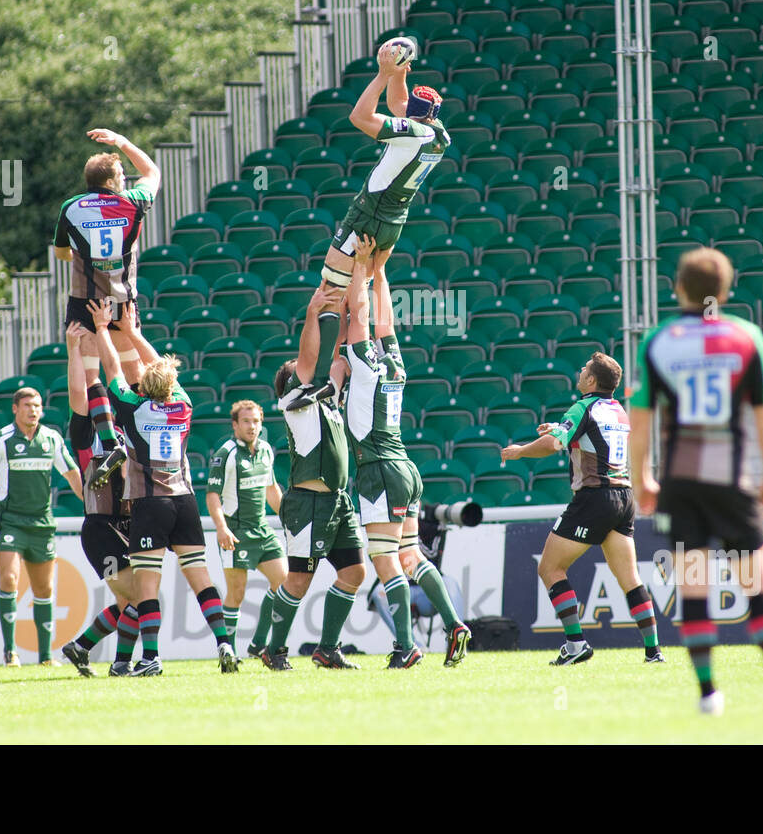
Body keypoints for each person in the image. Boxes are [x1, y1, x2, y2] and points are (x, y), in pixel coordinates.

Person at [629, 248, 763, 715]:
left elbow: (640, 418)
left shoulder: (657, 340)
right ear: (727, 291)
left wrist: (642, 480)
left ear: (678, 288)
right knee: (757, 583)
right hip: (731, 481)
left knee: (694, 586)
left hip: (679, 484)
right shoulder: (744, 337)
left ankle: (709, 696)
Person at [286, 44, 450, 410]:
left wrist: (381, 74)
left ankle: (319, 380)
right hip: (394, 221)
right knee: (352, 294)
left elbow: (360, 117)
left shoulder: (413, 133)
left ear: (416, 118)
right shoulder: (437, 132)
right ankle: (340, 373)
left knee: (328, 294)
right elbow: (400, 108)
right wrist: (399, 74)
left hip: (368, 216)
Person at [88, 299, 237, 676]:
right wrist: (134, 332)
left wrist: (104, 328)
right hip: (185, 501)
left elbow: (112, 369)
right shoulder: (183, 406)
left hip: (150, 504)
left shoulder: (133, 407)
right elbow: (162, 374)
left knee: (147, 586)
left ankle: (151, 658)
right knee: (200, 577)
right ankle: (224, 643)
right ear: (171, 384)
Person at [342, 237, 471, 666]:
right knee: (411, 555)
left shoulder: (361, 362)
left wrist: (360, 266)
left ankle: (405, 645)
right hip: (406, 467)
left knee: (384, 560)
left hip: (377, 469)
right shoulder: (393, 361)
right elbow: (385, 323)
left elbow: (361, 317)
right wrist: (379, 271)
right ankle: (455, 624)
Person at [501, 353, 663, 666]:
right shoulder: (619, 411)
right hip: (624, 498)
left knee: (550, 568)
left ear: (591, 380)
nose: (580, 370)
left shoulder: (583, 407)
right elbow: (591, 439)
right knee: (630, 579)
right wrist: (563, 431)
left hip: (594, 498)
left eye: (585, 368)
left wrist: (520, 452)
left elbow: (552, 445)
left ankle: (576, 645)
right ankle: (653, 651)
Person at [262, 283, 366, 671]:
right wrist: (312, 314)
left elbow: (335, 356)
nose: (309, 365)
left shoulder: (326, 394)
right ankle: (274, 651)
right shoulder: (294, 397)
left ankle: (327, 648)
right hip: (308, 502)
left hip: (338, 500)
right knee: (299, 581)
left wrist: (345, 313)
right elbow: (311, 357)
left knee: (354, 571)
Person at [53, 127, 161, 487]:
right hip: (123, 302)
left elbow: (61, 252)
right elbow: (152, 173)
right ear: (115, 180)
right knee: (134, 379)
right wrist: (123, 142)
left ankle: (111, 442)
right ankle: (139, 443)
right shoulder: (132, 201)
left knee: (91, 378)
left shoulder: (70, 208)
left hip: (85, 301)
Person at [0, 388, 83, 667]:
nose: (33, 410)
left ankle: (45, 657)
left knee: (44, 589)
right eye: (28, 405)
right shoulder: (1, 440)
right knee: (9, 580)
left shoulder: (51, 438)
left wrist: (92, 504)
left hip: (42, 523)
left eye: (38, 405)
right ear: (15, 409)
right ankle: (11, 652)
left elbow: (72, 474)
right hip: (11, 521)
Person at [59, 321, 141, 676]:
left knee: (130, 601)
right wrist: (73, 349)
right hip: (102, 528)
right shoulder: (85, 435)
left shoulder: (127, 427)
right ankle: (118, 662)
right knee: (138, 600)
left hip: (128, 524)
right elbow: (80, 390)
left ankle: (83, 648)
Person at [206, 400, 287, 662]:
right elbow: (212, 496)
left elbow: (271, 489)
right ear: (235, 424)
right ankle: (228, 652)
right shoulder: (226, 453)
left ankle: (258, 644)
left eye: (256, 421)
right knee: (237, 593)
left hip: (262, 530)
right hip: (235, 531)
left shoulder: (265, 450)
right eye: (246, 421)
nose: (252, 426)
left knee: (283, 580)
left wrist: (289, 519)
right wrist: (222, 529)